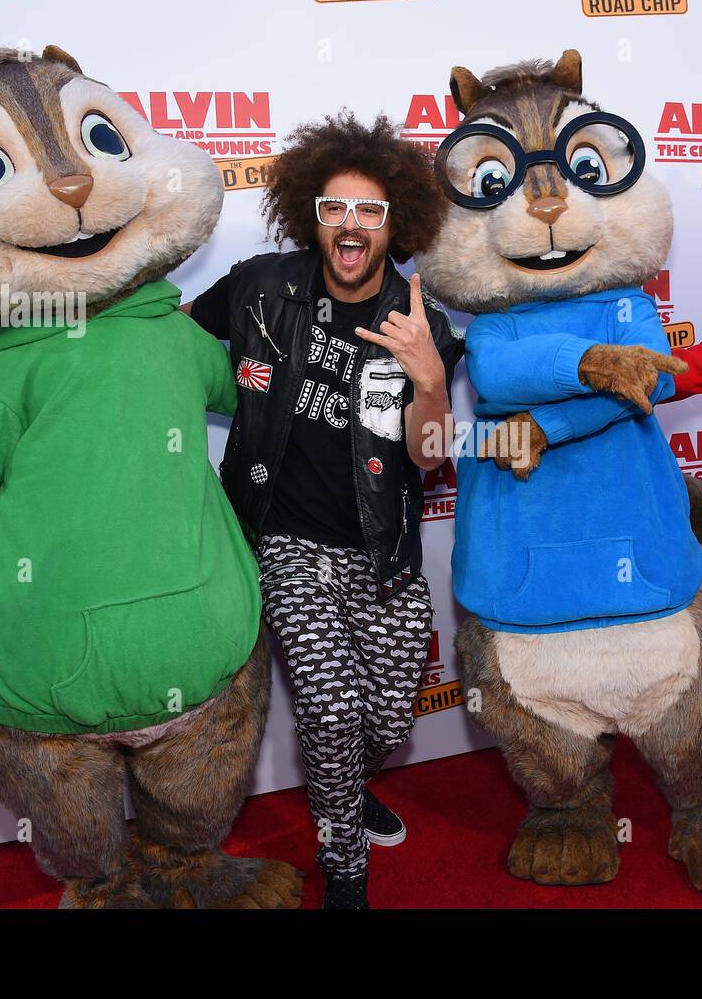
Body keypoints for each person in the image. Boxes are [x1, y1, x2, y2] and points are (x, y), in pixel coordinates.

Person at [184, 112, 463, 909]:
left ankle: (344, 786)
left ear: (392, 225)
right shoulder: (261, 288)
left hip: (381, 553)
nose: (351, 224)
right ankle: (343, 859)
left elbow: (432, 454)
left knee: (385, 716)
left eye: (369, 211)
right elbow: (172, 344)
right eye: (335, 207)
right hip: (285, 543)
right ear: (312, 213)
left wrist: (430, 374)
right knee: (332, 709)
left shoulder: (422, 323)